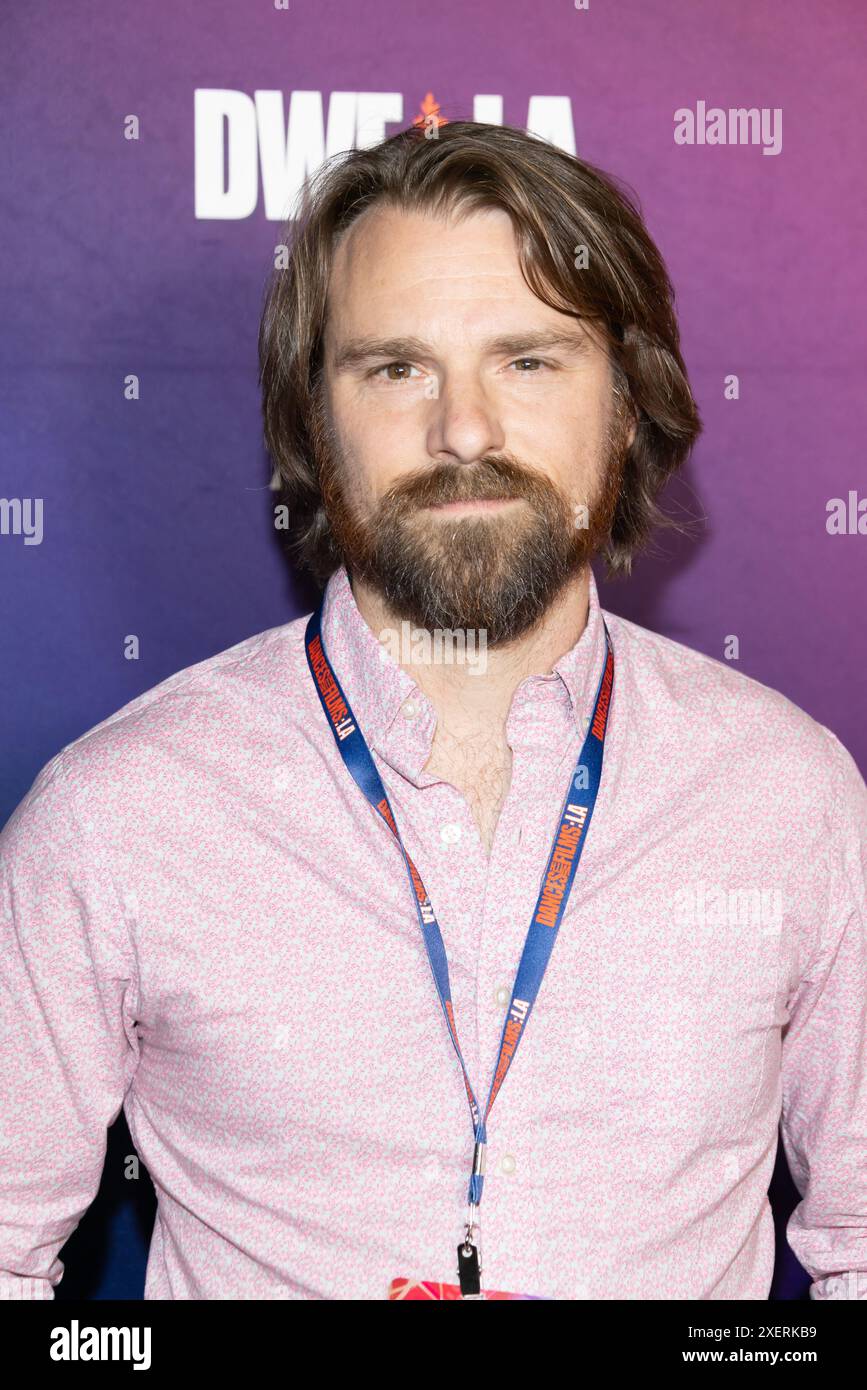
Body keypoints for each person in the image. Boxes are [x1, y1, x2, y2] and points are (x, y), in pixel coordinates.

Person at [1, 121, 865, 1301]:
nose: (464, 431)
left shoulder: (792, 796)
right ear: (315, 419)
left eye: (528, 360)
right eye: (396, 368)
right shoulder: (114, 815)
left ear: (628, 403)